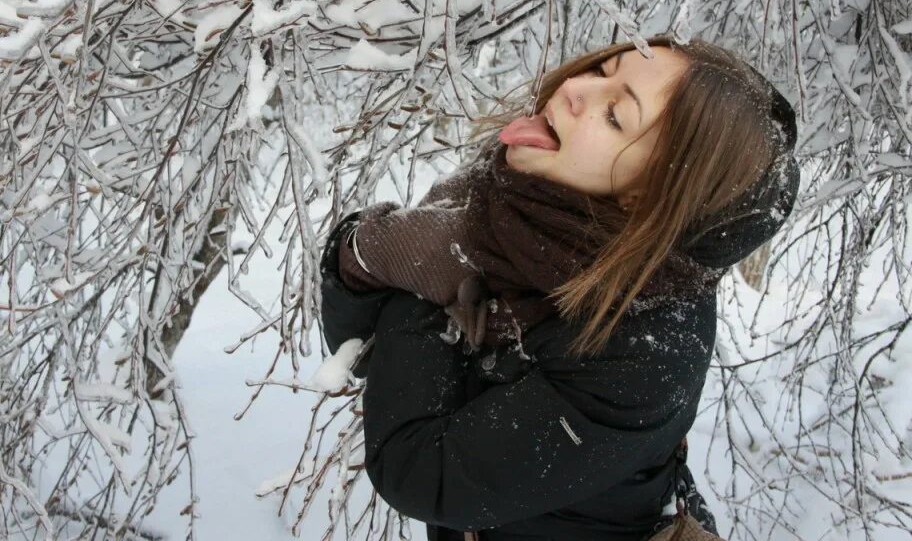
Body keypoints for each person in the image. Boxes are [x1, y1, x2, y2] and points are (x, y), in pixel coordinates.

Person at [318, 34, 800, 541]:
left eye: (616, 116)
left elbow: (421, 471)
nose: (574, 87)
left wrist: (430, 281)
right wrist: (370, 255)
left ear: (648, 198)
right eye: (602, 71)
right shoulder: (516, 200)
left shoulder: (642, 352)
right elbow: (361, 352)